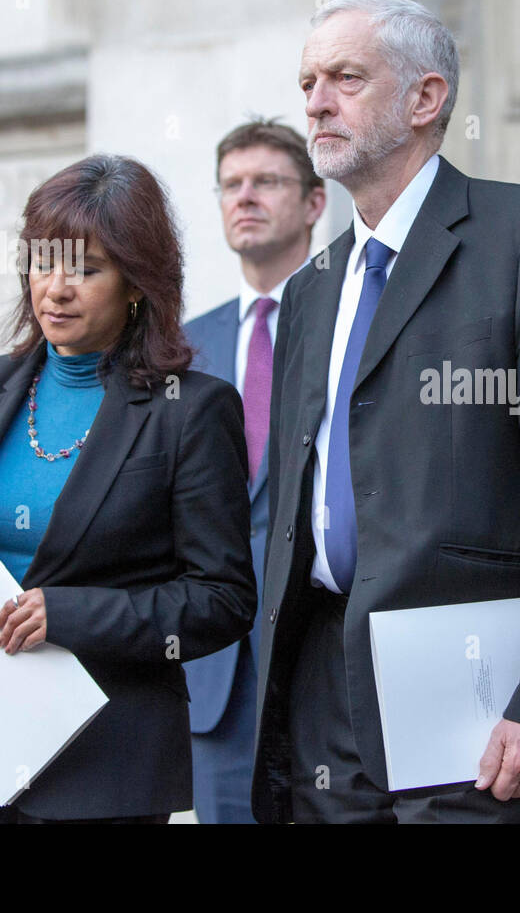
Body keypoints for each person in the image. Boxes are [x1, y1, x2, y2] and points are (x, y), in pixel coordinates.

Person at [251, 0, 520, 823]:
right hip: (325, 686)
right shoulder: (314, 290)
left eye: (346, 78)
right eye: (308, 82)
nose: (317, 101)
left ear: (426, 100)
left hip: (480, 697)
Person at [0, 154, 257, 823]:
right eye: (42, 262)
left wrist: (71, 616)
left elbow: (223, 600)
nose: (55, 288)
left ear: (137, 285)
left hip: (102, 774)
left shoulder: (192, 410)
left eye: (86, 270)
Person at [182, 120, 325, 823]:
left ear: (314, 203)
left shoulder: (354, 323)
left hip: (321, 662)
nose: (246, 198)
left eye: (266, 182)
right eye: (232, 185)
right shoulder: (186, 347)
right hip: (216, 675)